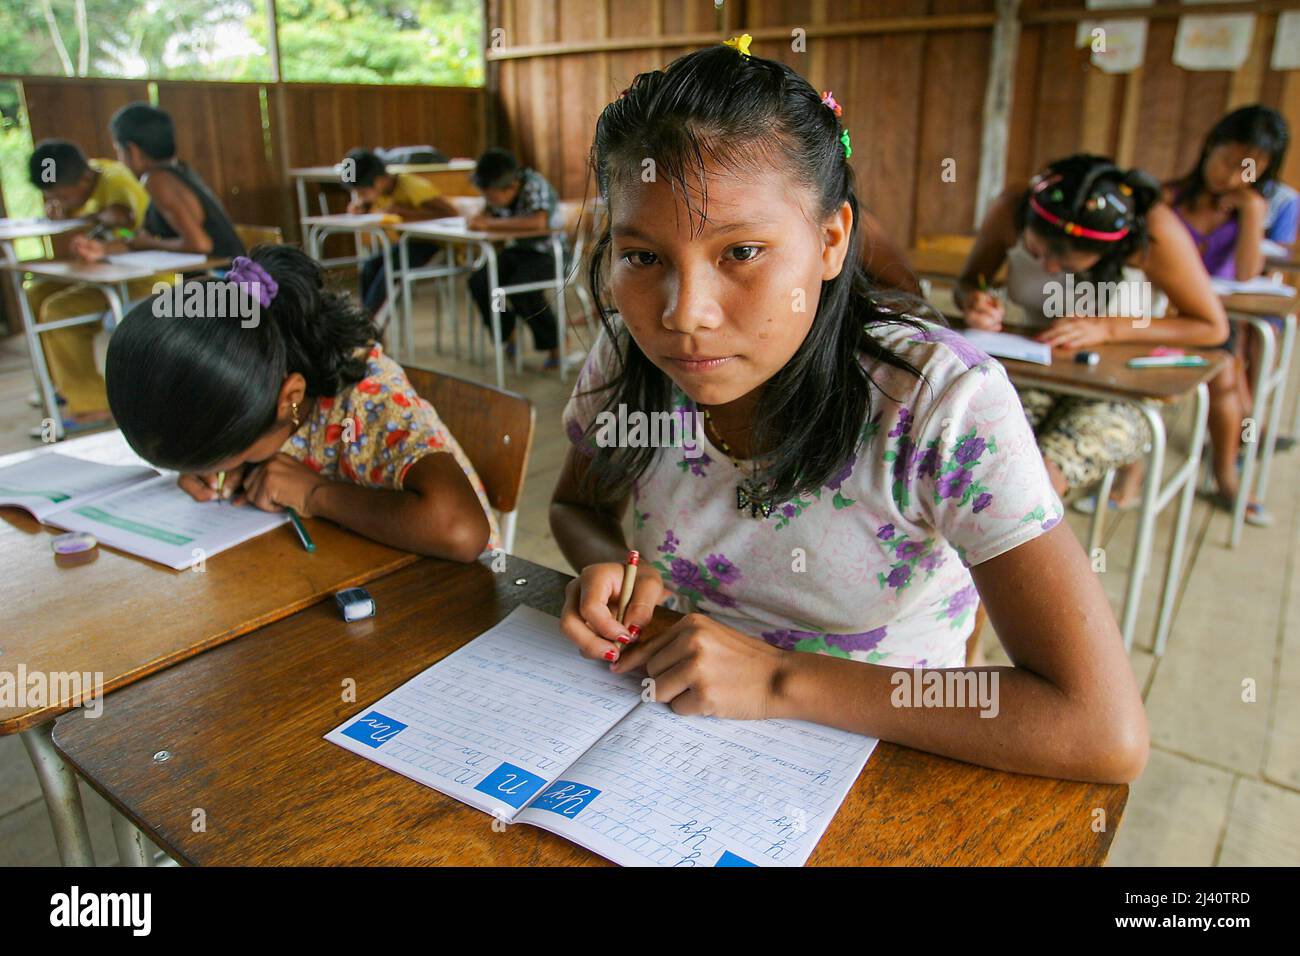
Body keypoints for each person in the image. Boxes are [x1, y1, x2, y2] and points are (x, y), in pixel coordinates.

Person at [549, 41, 1147, 783]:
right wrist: (609, 563)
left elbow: (1100, 729)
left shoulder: (939, 403)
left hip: (882, 754)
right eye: (642, 258)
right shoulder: (630, 354)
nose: (685, 315)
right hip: (672, 724)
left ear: (831, 240)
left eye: (741, 252)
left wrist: (775, 681)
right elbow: (575, 504)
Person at [104, 244, 498, 561]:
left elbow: (461, 532)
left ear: (289, 398)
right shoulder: (262, 385)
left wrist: (314, 495)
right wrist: (214, 461)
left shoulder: (370, 399)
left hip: (450, 595)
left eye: (221, 456)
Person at [957, 154, 1227, 512]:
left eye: (1067, 263)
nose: (1050, 267)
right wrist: (974, 300)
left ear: (1110, 249)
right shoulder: (1012, 209)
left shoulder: (1156, 232)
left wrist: (1108, 327)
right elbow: (970, 282)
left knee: (1042, 480)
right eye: (1037, 252)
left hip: (1121, 385)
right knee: (986, 454)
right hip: (1033, 369)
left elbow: (1211, 326)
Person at [23, 139, 151, 429]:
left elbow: (125, 219)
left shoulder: (116, 181)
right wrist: (66, 210)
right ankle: (61, 384)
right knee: (36, 294)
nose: (59, 203)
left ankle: (94, 403)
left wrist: (86, 218)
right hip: (107, 271)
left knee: (59, 311)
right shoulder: (90, 173)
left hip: (142, 276)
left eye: (62, 197)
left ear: (83, 179)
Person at [467, 147, 565, 370]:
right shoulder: (496, 190)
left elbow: (539, 222)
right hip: (519, 252)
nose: (488, 199)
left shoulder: (534, 184)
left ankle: (555, 344)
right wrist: (478, 218)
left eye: (491, 195)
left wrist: (490, 224)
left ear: (511, 187)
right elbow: (485, 215)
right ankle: (506, 327)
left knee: (521, 290)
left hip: (548, 254)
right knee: (482, 284)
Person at [341, 147, 459, 318]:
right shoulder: (381, 191)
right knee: (369, 266)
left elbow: (451, 213)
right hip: (409, 243)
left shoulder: (412, 185)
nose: (360, 196)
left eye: (362, 191)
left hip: (434, 244)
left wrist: (407, 214)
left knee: (388, 272)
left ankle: (368, 322)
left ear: (380, 180)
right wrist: (362, 208)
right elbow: (378, 207)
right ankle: (367, 320)